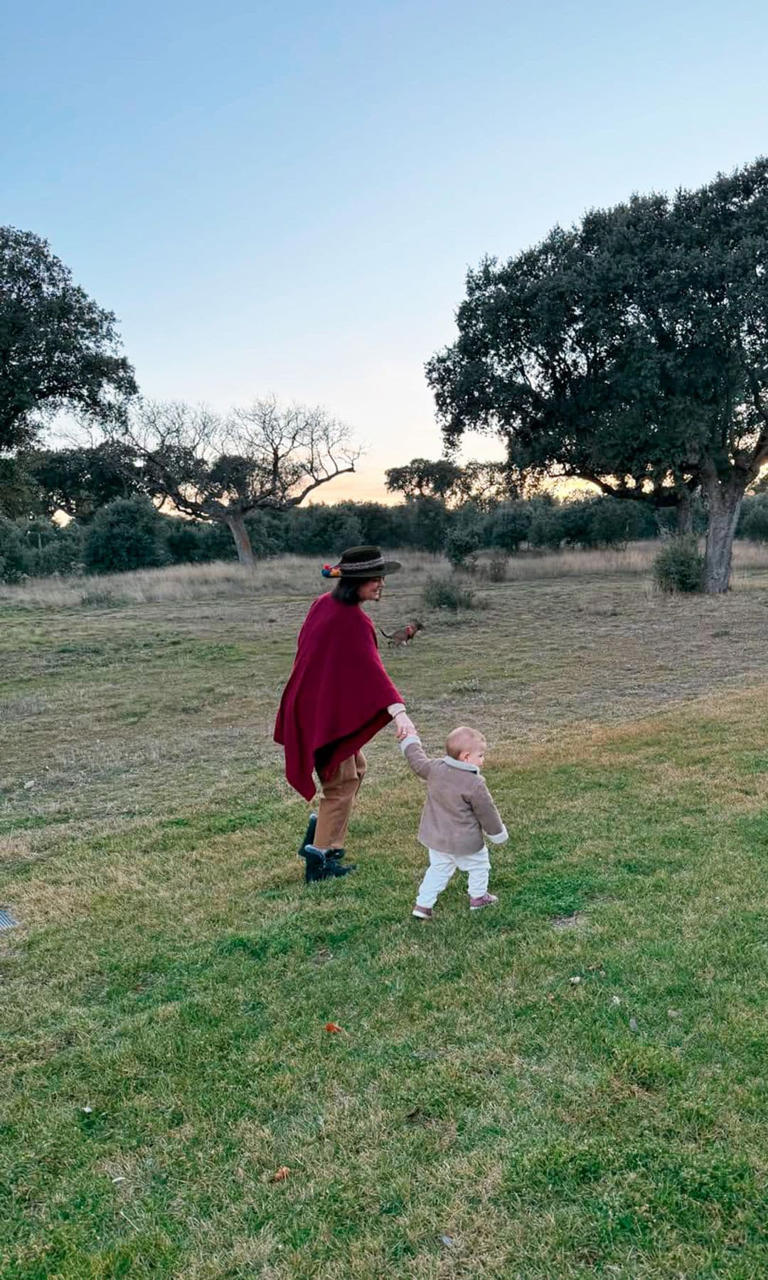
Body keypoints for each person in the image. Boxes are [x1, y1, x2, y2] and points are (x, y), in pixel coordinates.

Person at [274, 545, 416, 882]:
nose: (381, 584)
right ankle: (320, 861)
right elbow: (372, 673)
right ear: (356, 581)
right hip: (317, 712)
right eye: (375, 578)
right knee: (340, 783)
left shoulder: (324, 604)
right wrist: (400, 713)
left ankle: (324, 835)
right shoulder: (352, 619)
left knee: (356, 769)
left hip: (313, 707)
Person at [399, 724, 508, 918]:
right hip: (465, 842)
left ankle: (423, 905)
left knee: (438, 870)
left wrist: (410, 739)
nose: (482, 760)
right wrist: (497, 834)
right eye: (480, 755)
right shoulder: (475, 783)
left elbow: (417, 761)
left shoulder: (435, 768)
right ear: (466, 757)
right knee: (479, 865)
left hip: (437, 839)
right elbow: (487, 812)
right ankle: (478, 897)